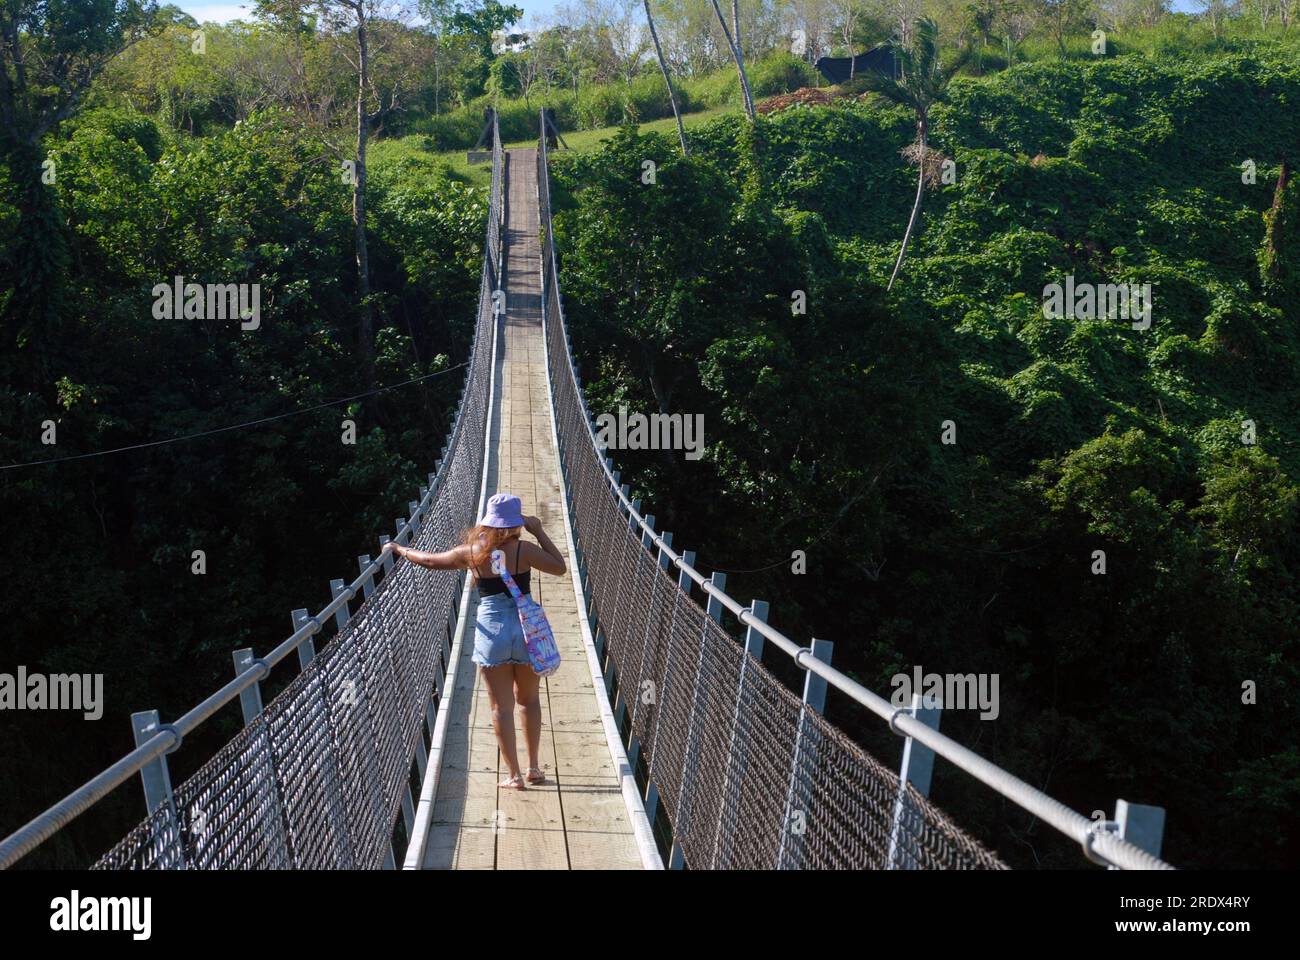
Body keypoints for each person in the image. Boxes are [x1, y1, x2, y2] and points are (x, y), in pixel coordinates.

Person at [382, 493, 566, 790]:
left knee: (501, 708)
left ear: (488, 523)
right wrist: (539, 530)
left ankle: (515, 776)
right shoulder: (525, 550)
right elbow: (559, 567)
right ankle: (534, 768)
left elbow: (429, 561)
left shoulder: (471, 552)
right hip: (526, 632)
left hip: (492, 633)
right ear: (517, 523)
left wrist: (399, 548)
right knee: (529, 701)